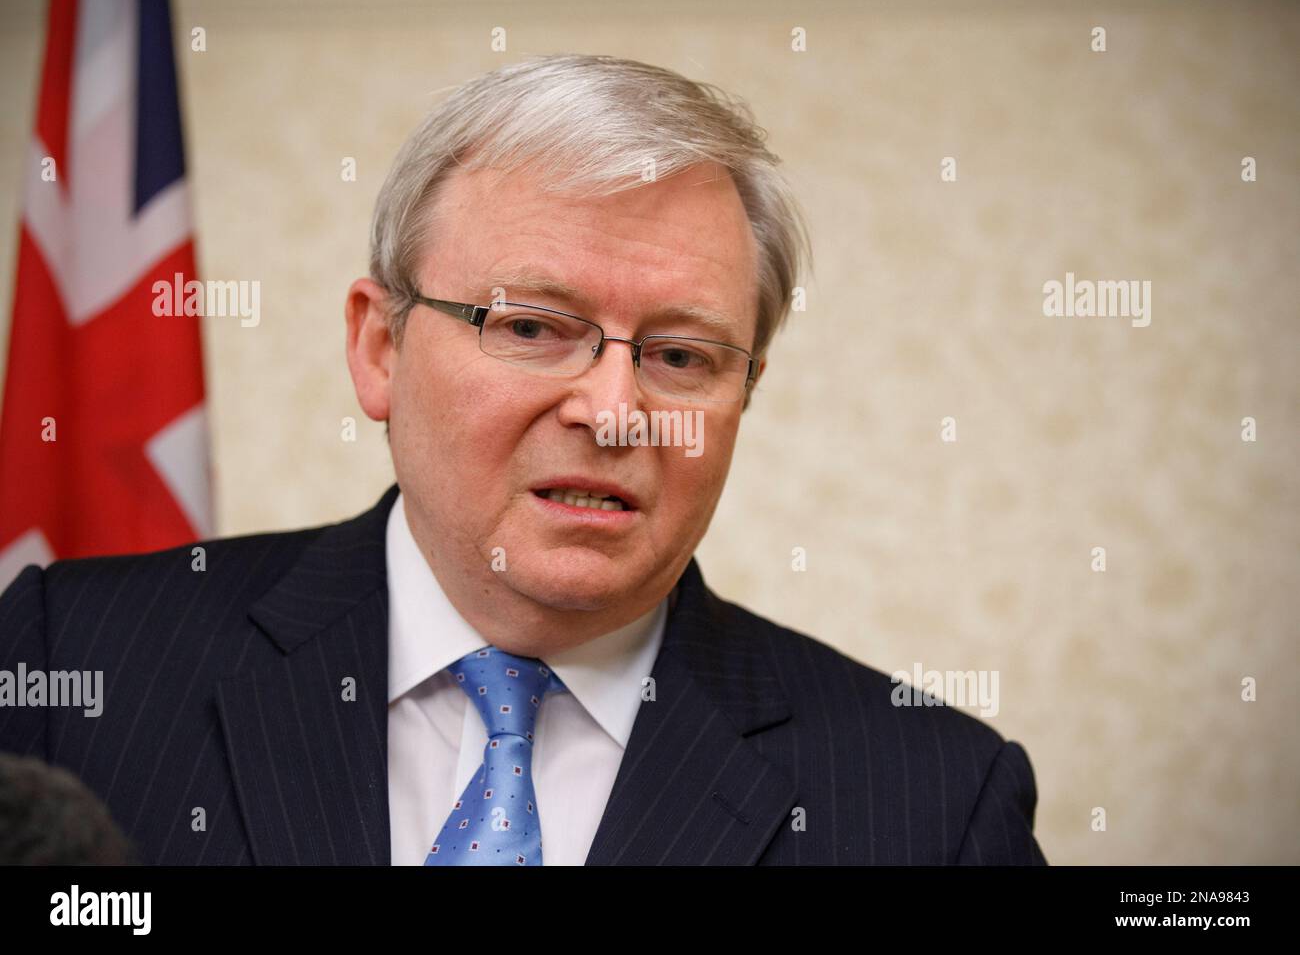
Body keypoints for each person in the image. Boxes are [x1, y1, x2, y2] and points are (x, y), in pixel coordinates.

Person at [0, 53, 1046, 865]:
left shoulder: (933, 799)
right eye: (534, 327)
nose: (612, 409)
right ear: (379, 348)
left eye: (681, 355)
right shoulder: (65, 661)